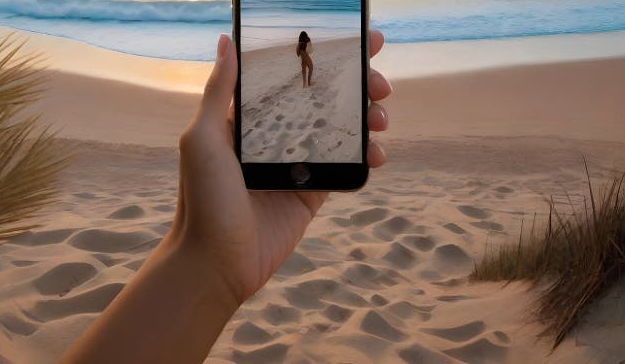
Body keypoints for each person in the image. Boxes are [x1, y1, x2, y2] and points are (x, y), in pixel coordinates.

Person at [61, 31, 392, 364]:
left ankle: (306, 83)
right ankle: (307, 83)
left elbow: (299, 53)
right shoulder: (304, 45)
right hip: (221, 258)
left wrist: (210, 264)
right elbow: (303, 53)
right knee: (311, 71)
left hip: (213, 266)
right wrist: (212, 263)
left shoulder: (301, 45)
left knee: (311, 72)